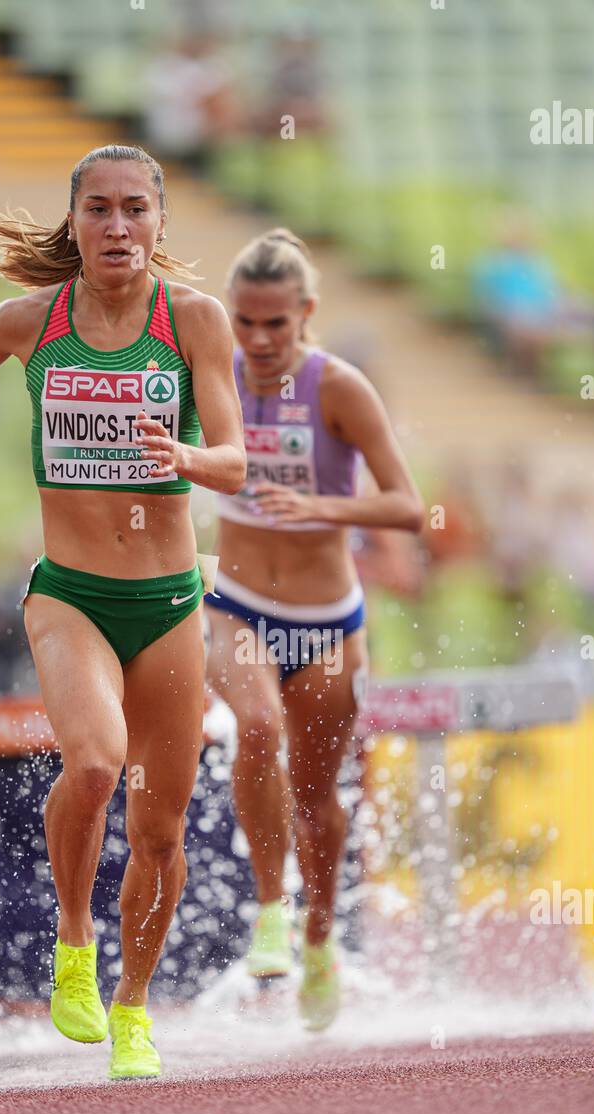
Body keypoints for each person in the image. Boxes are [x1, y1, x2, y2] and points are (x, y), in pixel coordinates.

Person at [0, 144, 245, 1079]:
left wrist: (182, 457)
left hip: (170, 602)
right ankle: (73, 943)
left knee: (161, 830)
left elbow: (236, 459)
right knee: (98, 761)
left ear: (160, 223)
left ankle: (135, 1006)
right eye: (99, 210)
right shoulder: (32, 321)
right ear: (73, 222)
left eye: (135, 210)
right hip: (71, 595)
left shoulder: (194, 322)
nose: (117, 227)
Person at [204, 228, 425, 1030]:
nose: (259, 342)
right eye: (244, 323)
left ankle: (322, 940)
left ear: (307, 314)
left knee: (317, 798)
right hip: (236, 603)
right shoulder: (213, 377)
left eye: (276, 325)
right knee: (255, 727)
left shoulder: (340, 389)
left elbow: (407, 505)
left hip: (328, 622)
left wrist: (323, 507)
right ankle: (271, 913)